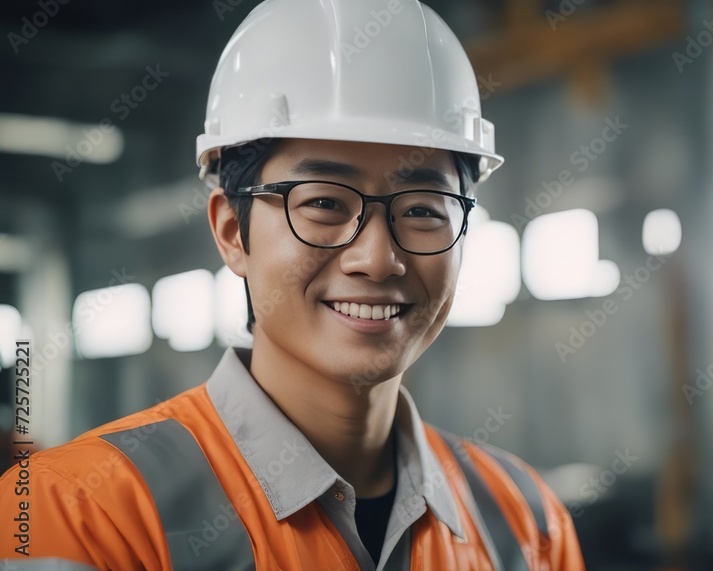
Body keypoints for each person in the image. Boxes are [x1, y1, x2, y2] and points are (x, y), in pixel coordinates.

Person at [0, 0, 585, 568]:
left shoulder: (526, 525)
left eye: (423, 210)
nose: (378, 259)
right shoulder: (78, 515)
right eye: (324, 203)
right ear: (232, 231)